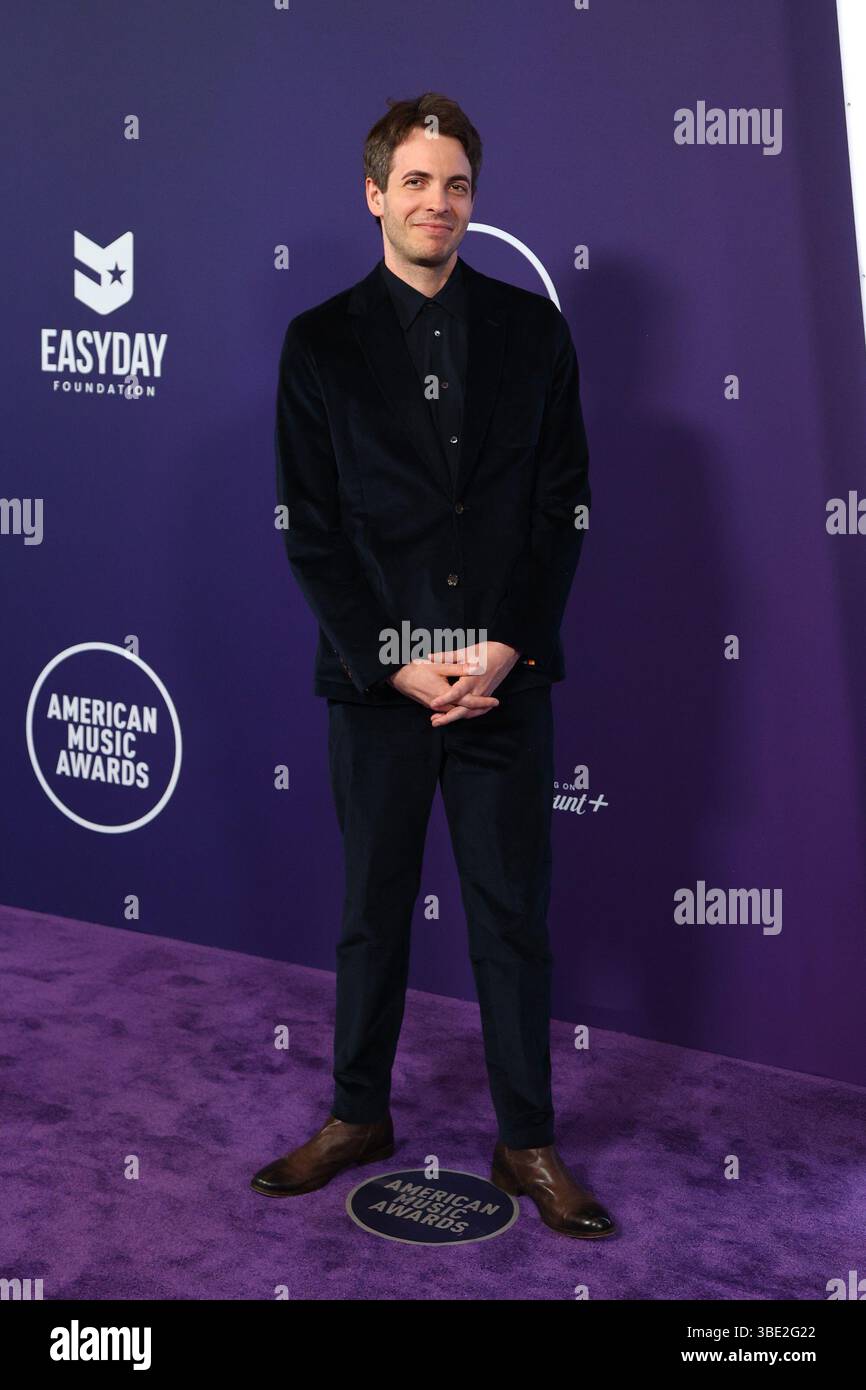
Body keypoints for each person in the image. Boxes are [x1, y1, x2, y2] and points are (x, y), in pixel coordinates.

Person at [252, 92, 614, 1239]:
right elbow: (310, 529)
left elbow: (560, 509)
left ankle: (527, 1139)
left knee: (511, 918)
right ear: (373, 194)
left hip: (504, 678)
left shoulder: (532, 332)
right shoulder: (318, 342)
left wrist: (504, 645)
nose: (436, 203)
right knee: (369, 912)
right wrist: (393, 661)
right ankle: (357, 1114)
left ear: (473, 199)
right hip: (378, 687)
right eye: (413, 182)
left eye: (454, 184)